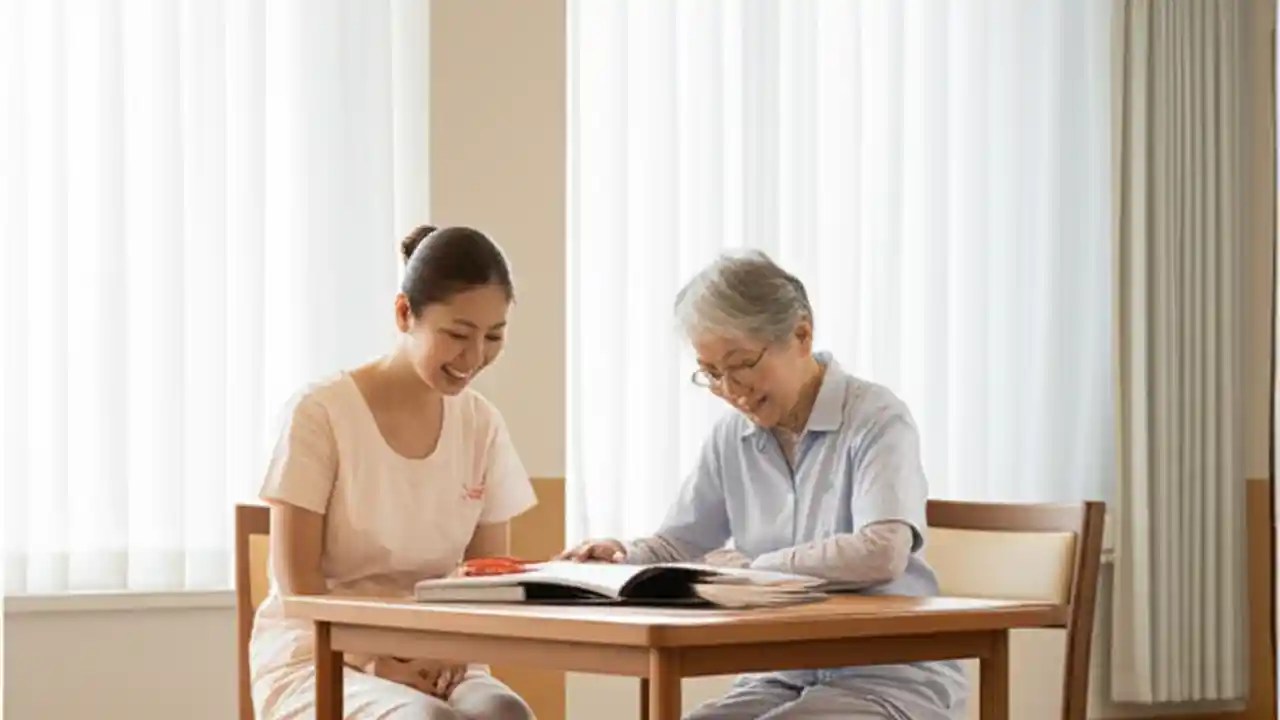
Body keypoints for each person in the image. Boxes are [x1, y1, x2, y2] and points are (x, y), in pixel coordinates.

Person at [561, 250, 968, 719]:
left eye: (742, 364)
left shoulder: (875, 418)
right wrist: (619, 556)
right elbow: (681, 544)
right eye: (712, 373)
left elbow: (883, 549)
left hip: (889, 674)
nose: (732, 390)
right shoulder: (730, 437)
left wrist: (754, 568)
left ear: (801, 334)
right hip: (779, 671)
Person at [251, 225, 538, 720]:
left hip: (441, 654)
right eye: (457, 335)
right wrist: (374, 659)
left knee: (505, 715)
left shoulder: (481, 425)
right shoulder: (319, 414)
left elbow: (488, 585)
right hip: (320, 657)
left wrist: (445, 652)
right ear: (405, 313)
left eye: (493, 336)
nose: (474, 358)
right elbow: (300, 589)